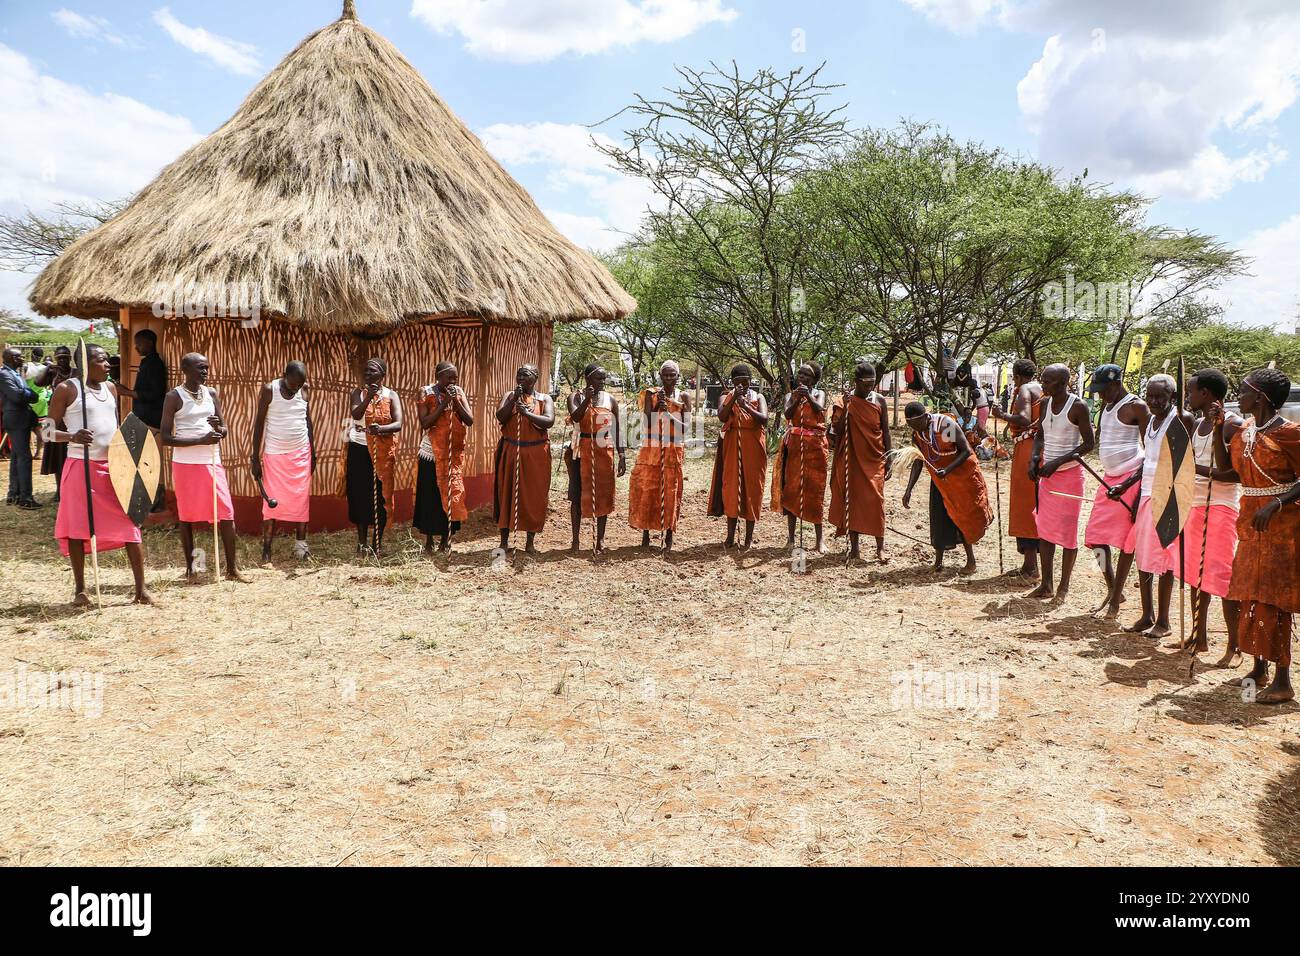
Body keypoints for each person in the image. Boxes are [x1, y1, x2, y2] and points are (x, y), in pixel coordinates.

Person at [1213, 368, 1300, 704]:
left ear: (1260, 398)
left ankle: (1283, 680)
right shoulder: (1245, 431)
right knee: (1250, 595)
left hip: (1282, 527)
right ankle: (1258, 669)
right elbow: (1229, 472)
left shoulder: (1290, 433)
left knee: (1275, 601)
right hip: (1250, 523)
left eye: (1244, 390)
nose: (1239, 394)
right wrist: (1221, 428)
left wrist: (1277, 502)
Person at [47, 344, 153, 605]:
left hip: (114, 469)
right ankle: (81, 591)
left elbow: (116, 426)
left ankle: (141, 591)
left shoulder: (111, 389)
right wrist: (71, 435)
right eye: (102, 361)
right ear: (84, 364)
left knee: (131, 524)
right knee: (77, 528)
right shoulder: (67, 389)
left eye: (107, 361)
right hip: (80, 467)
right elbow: (46, 431)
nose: (108, 365)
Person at [1111, 374, 1191, 638]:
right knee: (1144, 557)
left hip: (1168, 498)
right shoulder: (1151, 422)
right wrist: (1126, 487)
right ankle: (1147, 615)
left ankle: (1164, 622)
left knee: (1165, 561)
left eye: (1161, 397)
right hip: (1146, 494)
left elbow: (1182, 464)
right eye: (1151, 396)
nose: (1154, 402)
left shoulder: (1181, 419)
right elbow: (1148, 461)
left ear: (1173, 398)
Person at [161, 353, 244, 582]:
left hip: (211, 459)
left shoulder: (211, 393)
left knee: (226, 513)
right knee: (187, 516)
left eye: (207, 368)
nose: (205, 372)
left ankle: (232, 568)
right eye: (200, 368)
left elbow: (223, 428)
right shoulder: (173, 397)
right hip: (186, 464)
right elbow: (166, 438)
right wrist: (200, 440)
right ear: (185, 370)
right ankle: (191, 568)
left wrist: (219, 430)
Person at [1179, 369, 1241, 659]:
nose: (1188, 397)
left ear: (1205, 394)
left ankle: (1234, 646)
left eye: (1191, 392)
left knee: (1223, 578)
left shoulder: (1231, 424)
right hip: (1196, 504)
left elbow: (1232, 474)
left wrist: (1217, 430)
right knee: (1196, 574)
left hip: (1221, 507)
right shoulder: (1196, 424)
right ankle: (1199, 636)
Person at [1085, 364, 1149, 617]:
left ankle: (1114, 600)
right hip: (1109, 479)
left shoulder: (1137, 406)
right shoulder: (1107, 406)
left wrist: (1133, 484)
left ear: (1116, 383)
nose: (1101, 396)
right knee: (1095, 537)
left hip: (1131, 479)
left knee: (1125, 543)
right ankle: (1113, 589)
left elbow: (1151, 451)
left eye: (1103, 390)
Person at [1027, 363, 1095, 601]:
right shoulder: (1045, 403)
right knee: (1044, 531)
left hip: (1069, 477)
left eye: (1048, 381)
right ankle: (1046, 584)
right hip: (1048, 477)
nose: (1043, 385)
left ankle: (1063, 588)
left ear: (1064, 383)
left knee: (1067, 534)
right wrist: (1035, 458)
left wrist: (1058, 462)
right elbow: (1040, 434)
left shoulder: (1078, 406)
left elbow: (1089, 444)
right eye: (1042, 380)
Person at [901, 401, 993, 573]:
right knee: (939, 518)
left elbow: (965, 450)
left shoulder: (944, 426)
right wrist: (909, 489)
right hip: (940, 480)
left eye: (916, 424)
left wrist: (948, 470)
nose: (915, 428)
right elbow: (918, 461)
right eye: (910, 425)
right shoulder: (918, 434)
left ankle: (971, 562)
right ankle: (938, 562)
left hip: (961, 477)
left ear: (924, 417)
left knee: (963, 517)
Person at [250, 361, 315, 563]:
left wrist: (313, 451)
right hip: (275, 454)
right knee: (270, 502)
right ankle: (267, 550)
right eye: (292, 384)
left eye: (298, 385)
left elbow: (307, 420)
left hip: (301, 453)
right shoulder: (270, 390)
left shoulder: (303, 388)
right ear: (283, 375)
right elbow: (259, 423)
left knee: (301, 499)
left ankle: (301, 547)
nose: (295, 388)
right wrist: (255, 457)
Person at [828, 359, 890, 561]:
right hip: (851, 458)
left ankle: (880, 547)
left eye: (872, 384)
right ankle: (855, 548)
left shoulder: (879, 400)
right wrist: (846, 407)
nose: (869, 387)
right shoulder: (842, 401)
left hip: (874, 457)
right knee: (852, 500)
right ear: (856, 381)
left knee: (876, 499)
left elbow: (886, 432)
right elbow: (837, 431)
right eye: (865, 384)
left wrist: (889, 458)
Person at [629, 360, 690, 551]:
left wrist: (668, 413)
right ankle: (646, 534)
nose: (669, 378)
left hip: (673, 447)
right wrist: (658, 406)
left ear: (678, 377)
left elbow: (685, 428)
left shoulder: (684, 396)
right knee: (648, 488)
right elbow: (647, 423)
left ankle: (669, 535)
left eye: (673, 375)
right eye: (666, 375)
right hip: (652, 447)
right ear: (660, 376)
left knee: (670, 490)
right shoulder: (651, 394)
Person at [989, 359, 1042, 578]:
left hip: (1028, 449)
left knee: (1025, 505)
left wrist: (1001, 415)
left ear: (1017, 376)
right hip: (1039, 448)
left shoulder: (1025, 389)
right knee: (1035, 503)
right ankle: (1031, 565)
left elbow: (1022, 417)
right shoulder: (1041, 388)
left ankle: (1031, 566)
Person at [494, 364, 554, 555]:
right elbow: (500, 417)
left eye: (525, 375)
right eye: (518, 374)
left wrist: (527, 413)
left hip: (535, 454)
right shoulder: (509, 395)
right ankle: (504, 542)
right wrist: (513, 403)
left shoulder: (544, 399)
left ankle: (530, 542)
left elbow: (549, 421)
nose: (520, 378)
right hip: (512, 450)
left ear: (535, 378)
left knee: (533, 496)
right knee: (507, 493)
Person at [708, 364, 769, 550]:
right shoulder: (725, 396)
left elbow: (764, 418)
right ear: (732, 383)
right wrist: (734, 397)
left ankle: (748, 538)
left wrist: (746, 407)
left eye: (746, 382)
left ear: (751, 381)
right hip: (733, 444)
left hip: (754, 445)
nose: (743, 385)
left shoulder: (758, 397)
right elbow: (722, 416)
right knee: (732, 486)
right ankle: (730, 537)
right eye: (738, 382)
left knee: (752, 488)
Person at [415, 361, 473, 554]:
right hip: (430, 453)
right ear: (438, 376)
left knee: (450, 496)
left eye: (455, 377)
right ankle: (429, 541)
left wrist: (455, 401)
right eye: (449, 377)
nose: (453, 381)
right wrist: (444, 404)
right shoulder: (425, 392)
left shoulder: (458, 392)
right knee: (430, 497)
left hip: (451, 455)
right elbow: (425, 422)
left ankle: (445, 540)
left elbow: (469, 420)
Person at [345, 358, 401, 556]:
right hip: (359, 448)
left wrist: (382, 429)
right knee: (359, 495)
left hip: (382, 451)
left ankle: (377, 543)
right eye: (365, 371)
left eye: (372, 372)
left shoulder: (391, 395)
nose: (367, 375)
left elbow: (398, 423)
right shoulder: (357, 393)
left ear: (382, 375)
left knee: (380, 496)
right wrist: (368, 397)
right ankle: (361, 543)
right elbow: (355, 413)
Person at [566, 364, 624, 553]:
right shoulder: (575, 397)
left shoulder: (610, 400)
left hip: (603, 451)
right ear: (588, 379)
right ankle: (575, 541)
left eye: (604, 378)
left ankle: (600, 540)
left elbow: (616, 429)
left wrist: (622, 455)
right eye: (598, 378)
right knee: (576, 495)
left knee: (603, 494)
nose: (602, 382)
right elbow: (575, 417)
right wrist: (587, 400)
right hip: (581, 451)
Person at [773, 362, 828, 553]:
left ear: (814, 379)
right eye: (800, 374)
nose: (802, 378)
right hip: (795, 447)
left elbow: (819, 409)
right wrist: (797, 398)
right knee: (792, 489)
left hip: (815, 447)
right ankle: (790, 539)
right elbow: (788, 414)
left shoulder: (819, 393)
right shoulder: (791, 395)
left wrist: (808, 396)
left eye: (806, 375)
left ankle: (819, 540)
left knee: (815, 490)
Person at [1, 346, 39, 508]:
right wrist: (27, 392)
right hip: (15, 419)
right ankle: (26, 498)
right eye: (18, 357)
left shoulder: (16, 373)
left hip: (22, 419)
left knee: (17, 456)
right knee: (25, 458)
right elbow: (17, 396)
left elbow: (33, 395)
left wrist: (26, 392)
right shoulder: (3, 374)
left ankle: (13, 494)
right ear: (9, 358)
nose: (22, 359)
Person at [37, 346, 74, 502]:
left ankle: (72, 488)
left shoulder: (76, 373)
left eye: (66, 357)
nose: (63, 360)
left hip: (72, 418)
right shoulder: (53, 373)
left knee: (70, 455)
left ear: (70, 358)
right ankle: (59, 490)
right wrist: (47, 369)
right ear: (55, 358)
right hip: (55, 417)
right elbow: (38, 383)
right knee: (57, 455)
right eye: (60, 357)